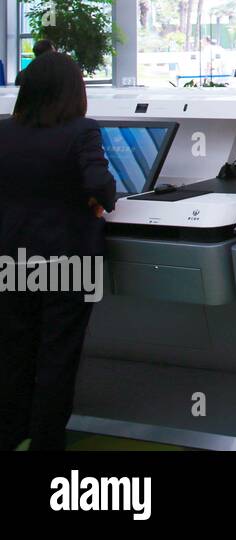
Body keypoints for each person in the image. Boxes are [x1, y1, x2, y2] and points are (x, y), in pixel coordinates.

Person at [0, 52, 117, 451]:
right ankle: (48, 441)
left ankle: (12, 431)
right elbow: (101, 187)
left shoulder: (5, 131)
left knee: (15, 350)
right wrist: (94, 198)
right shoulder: (81, 131)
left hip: (13, 257)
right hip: (68, 259)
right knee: (58, 354)